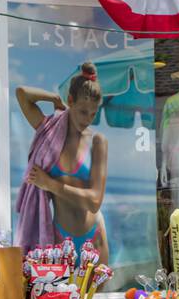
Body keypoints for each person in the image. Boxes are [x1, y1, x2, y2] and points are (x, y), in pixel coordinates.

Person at [16, 63, 110, 264]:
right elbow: (22, 94)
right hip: (59, 238)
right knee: (59, 295)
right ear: (70, 102)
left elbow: (94, 202)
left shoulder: (97, 142)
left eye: (93, 113)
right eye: (83, 111)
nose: (87, 119)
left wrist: (50, 184)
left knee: (97, 296)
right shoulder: (50, 133)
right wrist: (53, 98)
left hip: (94, 238)